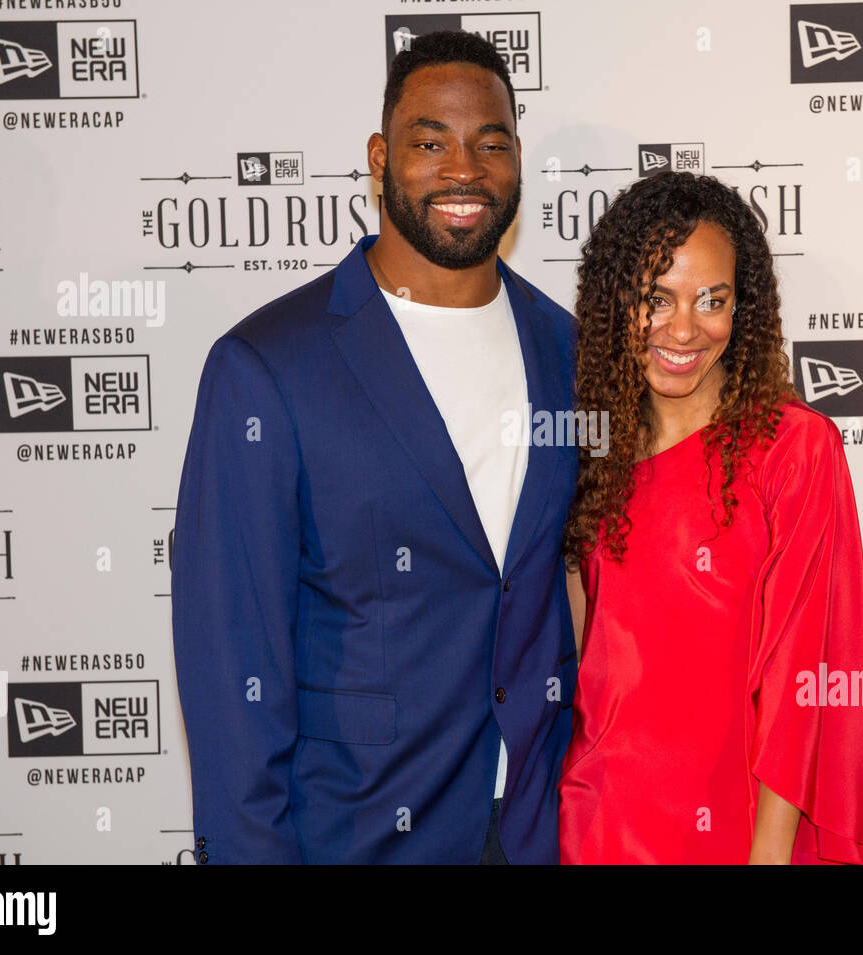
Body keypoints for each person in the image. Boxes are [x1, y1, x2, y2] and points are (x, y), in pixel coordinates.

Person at [171, 31, 579, 864]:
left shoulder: (568, 350)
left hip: (544, 826)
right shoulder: (267, 367)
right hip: (356, 832)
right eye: (431, 142)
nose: (464, 171)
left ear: (517, 162)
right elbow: (228, 662)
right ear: (380, 157)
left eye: (489, 144)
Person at [557, 171, 863, 864]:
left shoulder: (794, 449)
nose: (683, 328)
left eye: (713, 299)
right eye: (656, 297)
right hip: (599, 826)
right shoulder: (590, 447)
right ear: (620, 304)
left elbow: (803, 686)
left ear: (744, 308)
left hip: (742, 833)